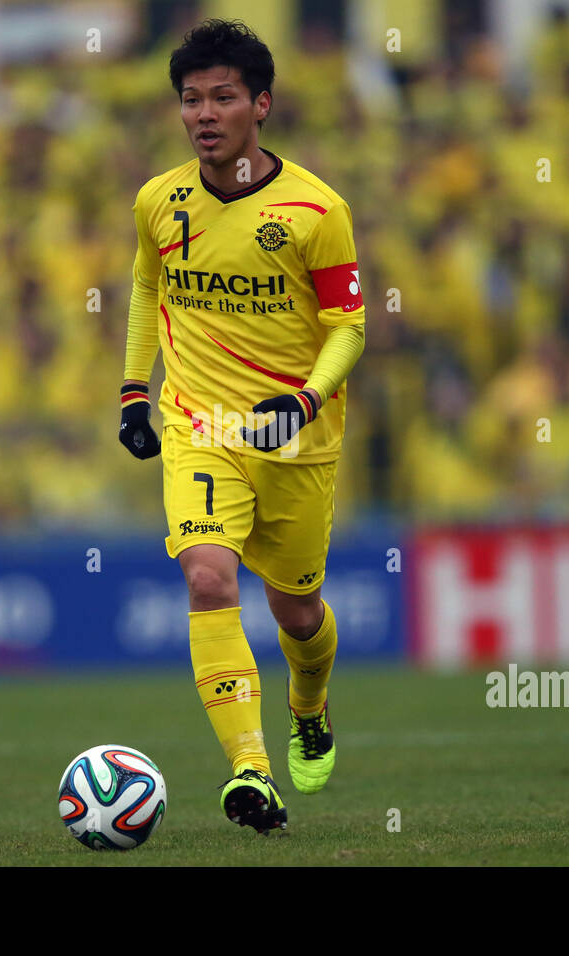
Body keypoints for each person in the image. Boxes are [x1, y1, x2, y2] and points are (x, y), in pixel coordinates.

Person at [118, 18, 366, 834]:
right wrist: (132, 391)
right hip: (199, 424)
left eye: (223, 97)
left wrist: (302, 398)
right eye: (191, 100)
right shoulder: (160, 200)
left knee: (298, 613)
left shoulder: (316, 209)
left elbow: (349, 326)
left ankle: (309, 704)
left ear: (261, 105)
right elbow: (148, 291)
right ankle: (249, 772)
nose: (204, 114)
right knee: (206, 576)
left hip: (296, 438)